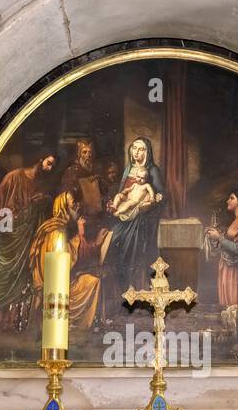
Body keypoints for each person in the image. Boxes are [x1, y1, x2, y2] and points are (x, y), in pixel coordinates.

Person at [0, 153, 58, 332]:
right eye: (48, 163)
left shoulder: (41, 185)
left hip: (28, 241)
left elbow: (43, 213)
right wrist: (19, 215)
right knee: (2, 276)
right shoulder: (14, 177)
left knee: (23, 279)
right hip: (10, 239)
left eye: (53, 166)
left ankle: (10, 324)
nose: (49, 168)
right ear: (39, 159)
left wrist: (44, 201)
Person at [29, 192, 105, 331]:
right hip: (56, 286)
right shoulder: (57, 230)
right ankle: (73, 323)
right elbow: (64, 259)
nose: (77, 206)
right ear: (64, 208)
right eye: (73, 204)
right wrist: (80, 235)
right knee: (94, 282)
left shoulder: (55, 227)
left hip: (57, 280)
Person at [104, 138, 164, 292]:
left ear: (147, 152)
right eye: (134, 148)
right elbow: (122, 192)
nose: (136, 152)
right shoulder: (128, 169)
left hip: (142, 220)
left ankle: (138, 291)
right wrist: (116, 204)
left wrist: (150, 204)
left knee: (136, 253)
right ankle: (122, 290)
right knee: (115, 242)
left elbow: (160, 197)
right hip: (125, 217)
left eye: (141, 149)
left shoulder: (152, 170)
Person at [205, 188, 238, 356]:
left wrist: (219, 238)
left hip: (236, 271)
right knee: (227, 306)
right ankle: (234, 340)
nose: (228, 201)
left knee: (236, 306)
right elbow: (225, 245)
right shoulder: (235, 221)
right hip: (227, 267)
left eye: (231, 198)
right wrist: (215, 239)